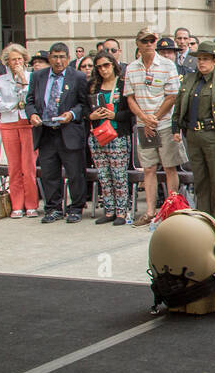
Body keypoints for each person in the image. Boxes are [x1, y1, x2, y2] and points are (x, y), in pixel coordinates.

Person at [172, 40, 215, 223]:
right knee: (199, 177)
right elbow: (179, 104)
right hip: (193, 133)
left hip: (213, 134)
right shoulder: (189, 79)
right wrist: (175, 128)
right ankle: (202, 215)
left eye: (206, 59)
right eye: (200, 59)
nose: (202, 63)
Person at [124, 27, 183, 227]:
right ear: (138, 44)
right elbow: (129, 98)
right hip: (143, 124)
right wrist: (144, 118)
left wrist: (154, 118)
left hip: (164, 123)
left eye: (151, 40)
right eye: (145, 41)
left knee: (169, 167)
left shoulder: (167, 65)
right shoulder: (131, 68)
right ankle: (150, 211)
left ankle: (171, 209)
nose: (149, 44)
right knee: (148, 168)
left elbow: (173, 96)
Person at [24, 41, 89, 222]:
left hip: (68, 131)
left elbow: (84, 105)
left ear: (68, 59)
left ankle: (76, 208)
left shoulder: (78, 77)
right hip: (45, 132)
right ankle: (53, 208)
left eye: (62, 57)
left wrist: (72, 114)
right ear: (49, 58)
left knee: (75, 172)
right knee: (49, 173)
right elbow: (29, 101)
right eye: (55, 57)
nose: (58, 61)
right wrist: (32, 115)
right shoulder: (38, 76)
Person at [85, 52, 133, 225]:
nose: (103, 69)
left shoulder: (123, 84)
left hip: (117, 135)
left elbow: (130, 112)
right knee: (104, 175)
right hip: (98, 135)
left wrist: (115, 115)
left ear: (113, 64)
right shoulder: (93, 86)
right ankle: (109, 210)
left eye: (106, 65)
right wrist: (91, 115)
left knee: (118, 175)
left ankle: (121, 212)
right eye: (99, 67)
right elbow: (84, 107)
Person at [0, 43, 40, 217]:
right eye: (13, 60)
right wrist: (13, 105)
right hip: (9, 123)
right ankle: (17, 205)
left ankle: (32, 204)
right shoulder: (1, 79)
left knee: (29, 166)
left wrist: (23, 78)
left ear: (24, 60)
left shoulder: (32, 76)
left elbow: (31, 98)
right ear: (7, 62)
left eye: (19, 59)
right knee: (14, 167)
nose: (17, 62)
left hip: (27, 123)